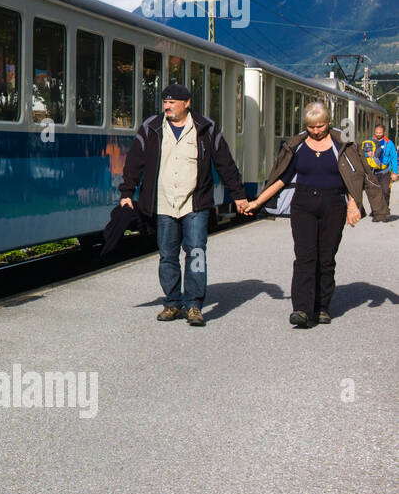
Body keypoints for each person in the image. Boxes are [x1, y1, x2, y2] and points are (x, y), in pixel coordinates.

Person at [119, 83, 248, 326]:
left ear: (186, 103)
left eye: (172, 102)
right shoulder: (151, 128)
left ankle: (194, 305)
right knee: (167, 255)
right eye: (165, 102)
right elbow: (134, 162)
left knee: (196, 252)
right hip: (164, 203)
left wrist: (239, 195)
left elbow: (225, 164)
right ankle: (172, 303)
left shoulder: (206, 129)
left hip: (194, 203)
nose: (167, 106)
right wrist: (127, 191)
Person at [239, 102, 367, 326]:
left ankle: (322, 307)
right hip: (304, 204)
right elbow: (282, 178)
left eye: (320, 126)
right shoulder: (297, 146)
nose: (316, 131)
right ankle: (302, 309)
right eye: (311, 127)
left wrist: (353, 204)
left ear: (328, 123)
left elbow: (353, 179)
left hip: (333, 204)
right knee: (305, 257)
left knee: (326, 258)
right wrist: (258, 201)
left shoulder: (342, 145)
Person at [366, 125, 397, 221]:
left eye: (380, 132)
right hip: (373, 171)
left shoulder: (389, 143)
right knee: (374, 193)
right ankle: (376, 213)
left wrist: (395, 172)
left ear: (384, 132)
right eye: (376, 132)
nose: (378, 134)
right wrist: (367, 154)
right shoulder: (369, 142)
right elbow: (363, 154)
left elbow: (394, 158)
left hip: (385, 171)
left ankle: (385, 212)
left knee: (385, 191)